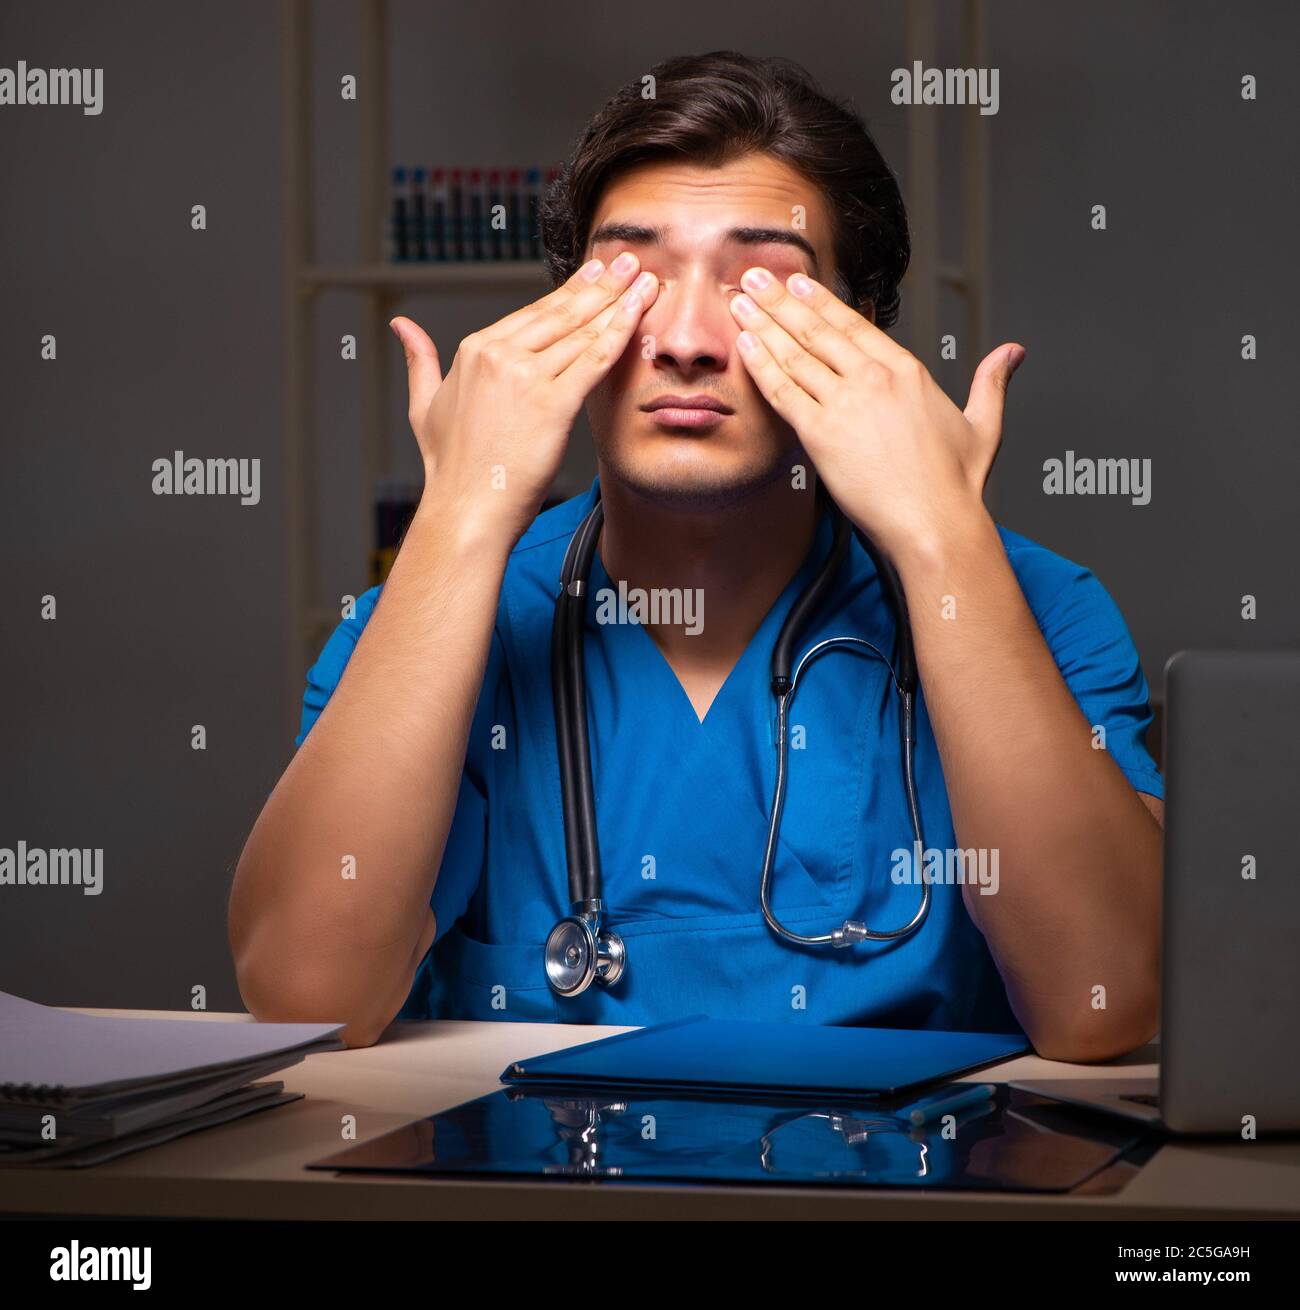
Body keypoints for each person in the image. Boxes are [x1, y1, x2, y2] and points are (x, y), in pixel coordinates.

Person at [229, 51, 1163, 1057]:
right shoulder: (435, 615)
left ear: (862, 335)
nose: (684, 337)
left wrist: (941, 535)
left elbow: (1105, 1001)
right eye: (627, 278)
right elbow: (303, 994)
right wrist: (461, 508)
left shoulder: (1039, 605)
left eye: (761, 283)